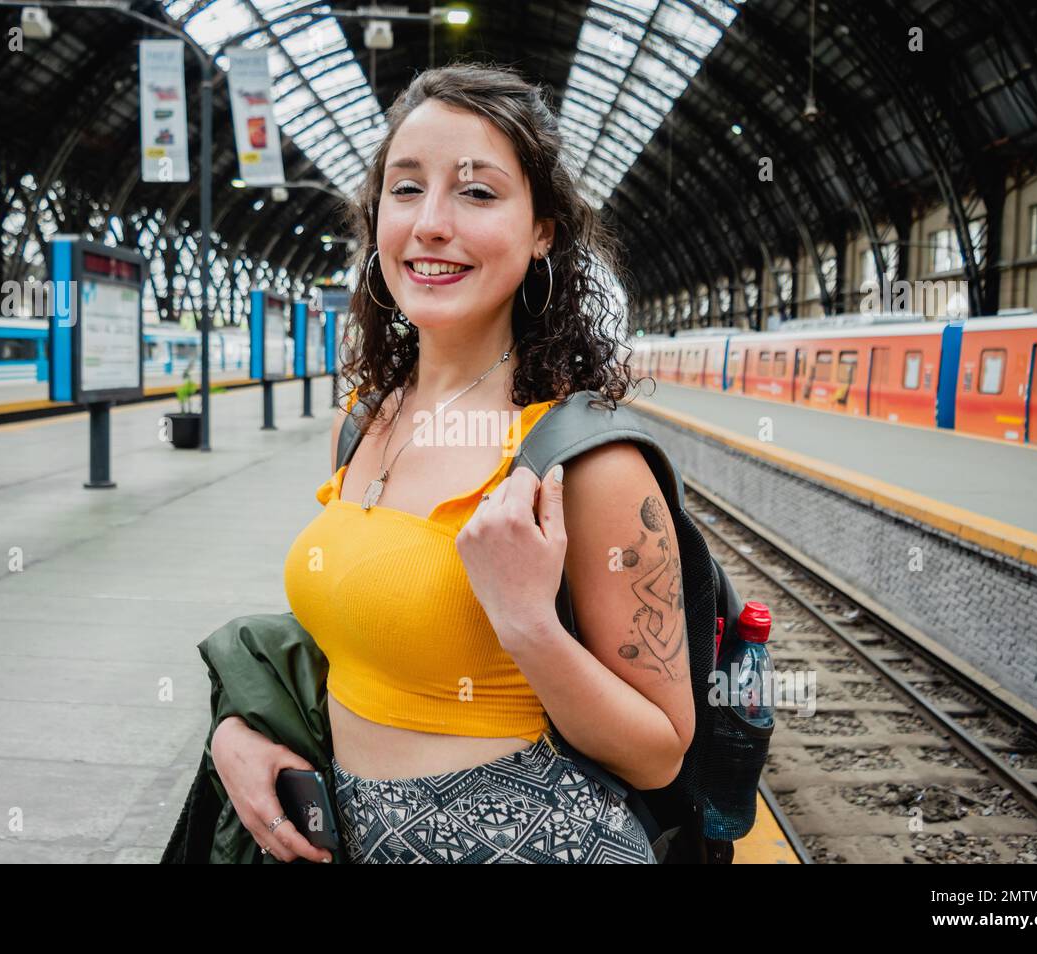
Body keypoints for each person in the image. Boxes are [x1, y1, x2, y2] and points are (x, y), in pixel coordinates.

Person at [211, 62, 695, 864]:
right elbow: (364, 626)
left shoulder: (584, 463)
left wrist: (527, 622)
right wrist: (242, 726)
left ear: (543, 230)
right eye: (406, 189)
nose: (431, 223)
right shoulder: (363, 420)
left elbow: (659, 750)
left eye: (477, 193)